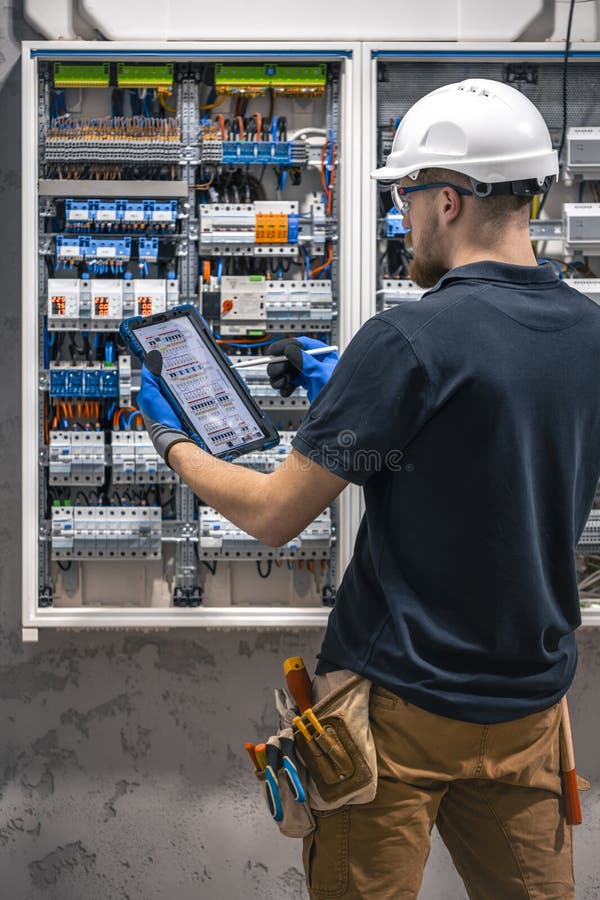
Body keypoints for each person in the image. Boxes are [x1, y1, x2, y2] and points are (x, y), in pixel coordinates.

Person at [137, 79, 600, 900]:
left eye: (408, 197)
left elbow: (275, 514)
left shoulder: (409, 340)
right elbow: (490, 440)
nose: (401, 218)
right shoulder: (590, 333)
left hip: (397, 710)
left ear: (449, 200)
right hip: (529, 707)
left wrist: (172, 440)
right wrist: (358, 394)